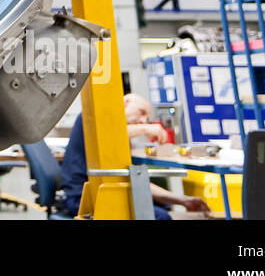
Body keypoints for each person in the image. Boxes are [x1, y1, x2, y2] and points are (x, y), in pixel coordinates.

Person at [57, 93, 210, 219]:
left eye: (147, 118)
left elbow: (136, 181)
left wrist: (183, 200)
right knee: (160, 216)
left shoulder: (119, 140)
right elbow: (110, 133)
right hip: (81, 199)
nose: (143, 120)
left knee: (163, 207)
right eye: (142, 112)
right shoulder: (91, 117)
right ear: (126, 102)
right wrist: (146, 128)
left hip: (106, 192)